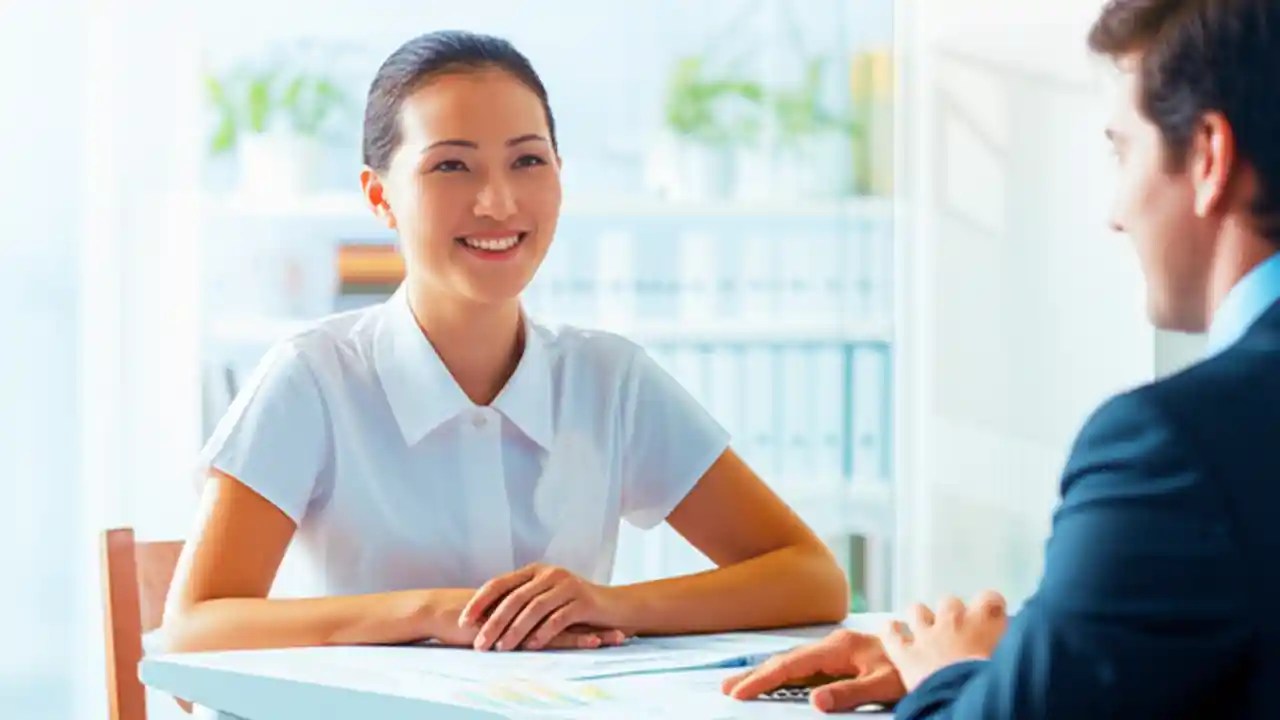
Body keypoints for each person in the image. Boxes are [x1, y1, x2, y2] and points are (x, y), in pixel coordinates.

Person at [159, 29, 848, 664]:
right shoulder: (312, 378)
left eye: (527, 161)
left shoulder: (609, 379)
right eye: (451, 166)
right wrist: (432, 613)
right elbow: (194, 626)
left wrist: (611, 605)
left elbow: (810, 578)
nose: (498, 202)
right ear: (380, 196)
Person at [723, 0, 1280, 716]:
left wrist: (950, 678)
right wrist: (1021, 652)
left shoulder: (1178, 448)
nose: (1115, 213)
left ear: (1207, 157)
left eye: (1123, 152)